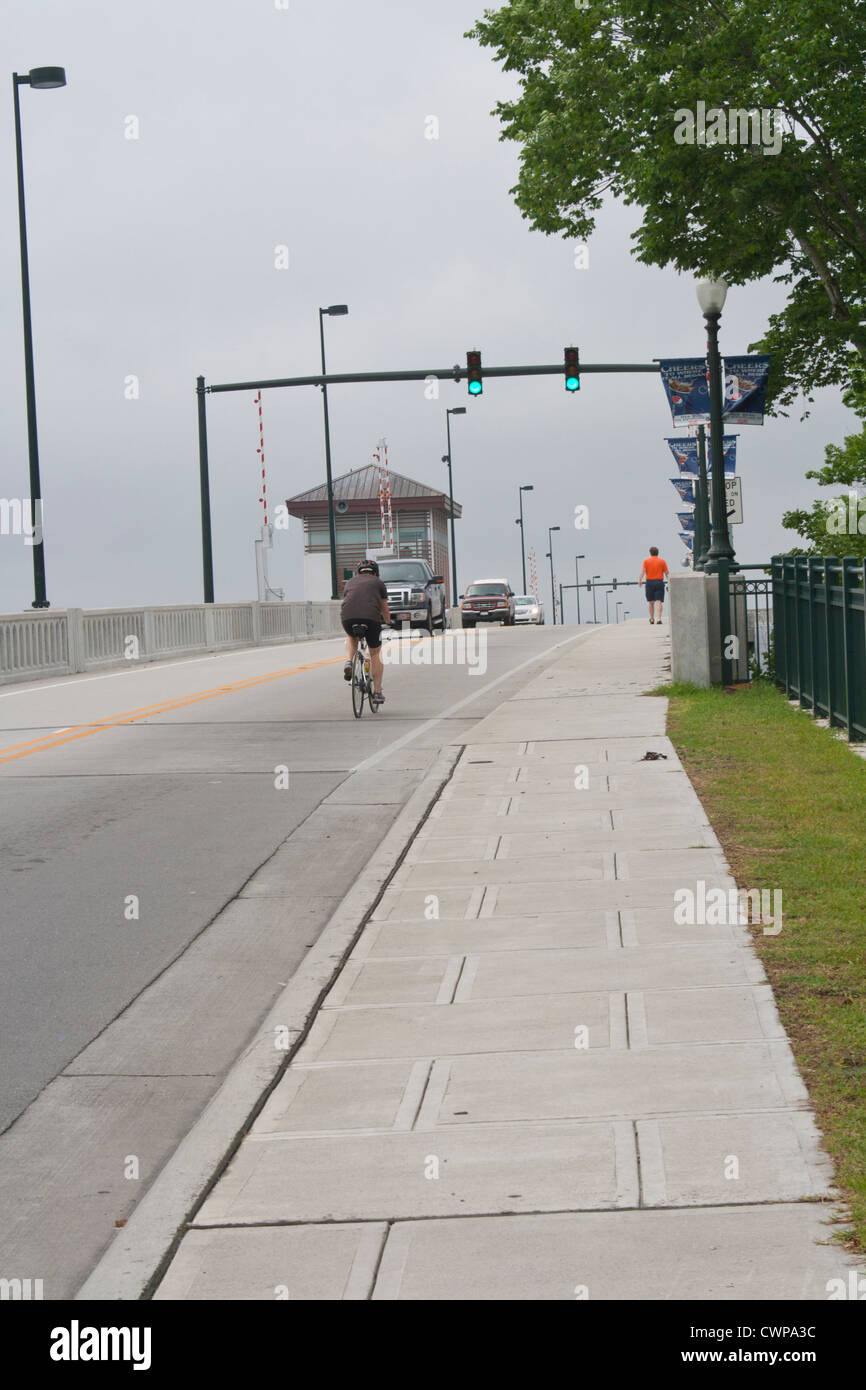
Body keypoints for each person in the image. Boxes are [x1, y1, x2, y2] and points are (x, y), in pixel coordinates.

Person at [340, 559, 391, 703]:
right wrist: (388, 622)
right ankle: (377, 692)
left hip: (348, 617)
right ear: (376, 573)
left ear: (358, 572)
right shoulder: (379, 583)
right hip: (370, 618)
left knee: (351, 637)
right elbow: (384, 608)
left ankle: (349, 661)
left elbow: (348, 601)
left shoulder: (350, 582)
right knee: (375, 653)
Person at [639, 547, 669, 624]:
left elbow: (643, 571)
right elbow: (667, 573)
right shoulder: (662, 561)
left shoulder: (646, 561)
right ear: (657, 553)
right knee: (659, 602)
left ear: (650, 553)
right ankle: (659, 619)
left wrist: (640, 580)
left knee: (651, 602)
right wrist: (669, 581)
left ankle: (652, 619)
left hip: (649, 583)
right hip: (659, 582)